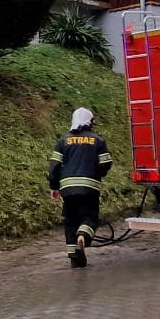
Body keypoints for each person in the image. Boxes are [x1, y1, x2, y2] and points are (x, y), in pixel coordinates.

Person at [49, 107, 112, 268]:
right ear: (90, 122)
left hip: (68, 189)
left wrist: (54, 186)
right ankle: (83, 236)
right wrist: (97, 174)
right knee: (90, 217)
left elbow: (55, 166)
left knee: (70, 221)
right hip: (89, 187)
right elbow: (106, 163)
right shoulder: (97, 140)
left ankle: (74, 257)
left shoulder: (63, 141)